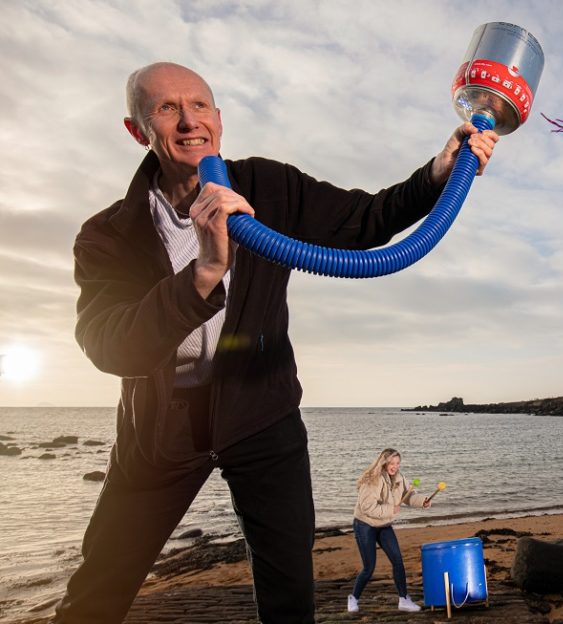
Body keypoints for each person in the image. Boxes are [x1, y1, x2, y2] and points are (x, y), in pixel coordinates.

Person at [54, 61, 498, 624]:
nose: (189, 121)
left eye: (200, 106)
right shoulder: (107, 234)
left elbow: (366, 220)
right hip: (158, 432)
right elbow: (109, 346)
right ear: (137, 129)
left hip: (262, 412)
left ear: (219, 119)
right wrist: (204, 273)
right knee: (97, 588)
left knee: (291, 590)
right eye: (167, 108)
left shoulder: (268, 185)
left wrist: (438, 171)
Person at [348, 448, 432, 613]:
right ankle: (353, 598)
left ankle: (403, 599)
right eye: (392, 463)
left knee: (398, 561)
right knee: (369, 568)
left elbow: (408, 496)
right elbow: (367, 507)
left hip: (384, 525)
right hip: (365, 524)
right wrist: (390, 510)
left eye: (398, 463)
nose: (395, 466)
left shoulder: (399, 478)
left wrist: (423, 501)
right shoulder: (372, 480)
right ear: (384, 462)